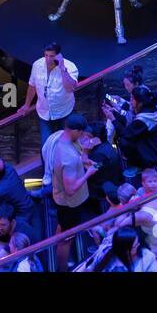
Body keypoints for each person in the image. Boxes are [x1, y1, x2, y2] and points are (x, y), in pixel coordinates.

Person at [50, 113, 96, 270]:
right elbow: (70, 190)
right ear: (74, 131)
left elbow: (76, 157)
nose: (83, 135)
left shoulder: (61, 139)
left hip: (61, 199)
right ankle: (62, 267)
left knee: (62, 227)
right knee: (67, 239)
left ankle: (58, 240)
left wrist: (84, 160)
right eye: (81, 132)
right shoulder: (68, 157)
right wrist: (88, 173)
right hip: (70, 204)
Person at [22, 42, 80, 145]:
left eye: (51, 56)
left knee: (67, 145)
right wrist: (27, 105)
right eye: (46, 55)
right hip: (44, 113)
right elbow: (32, 86)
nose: (48, 59)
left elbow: (70, 88)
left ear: (58, 55)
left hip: (64, 112)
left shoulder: (70, 67)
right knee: (46, 145)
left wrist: (62, 68)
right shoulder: (37, 65)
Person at [106, 83, 157, 173]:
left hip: (154, 154)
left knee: (123, 141)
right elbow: (128, 121)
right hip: (154, 143)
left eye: (132, 99)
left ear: (140, 102)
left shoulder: (143, 119)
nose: (130, 101)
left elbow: (126, 133)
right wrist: (114, 113)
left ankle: (139, 165)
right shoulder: (151, 107)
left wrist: (112, 118)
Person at [89, 226, 157, 272]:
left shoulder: (148, 257)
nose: (139, 245)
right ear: (124, 250)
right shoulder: (107, 257)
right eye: (135, 246)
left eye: (138, 242)